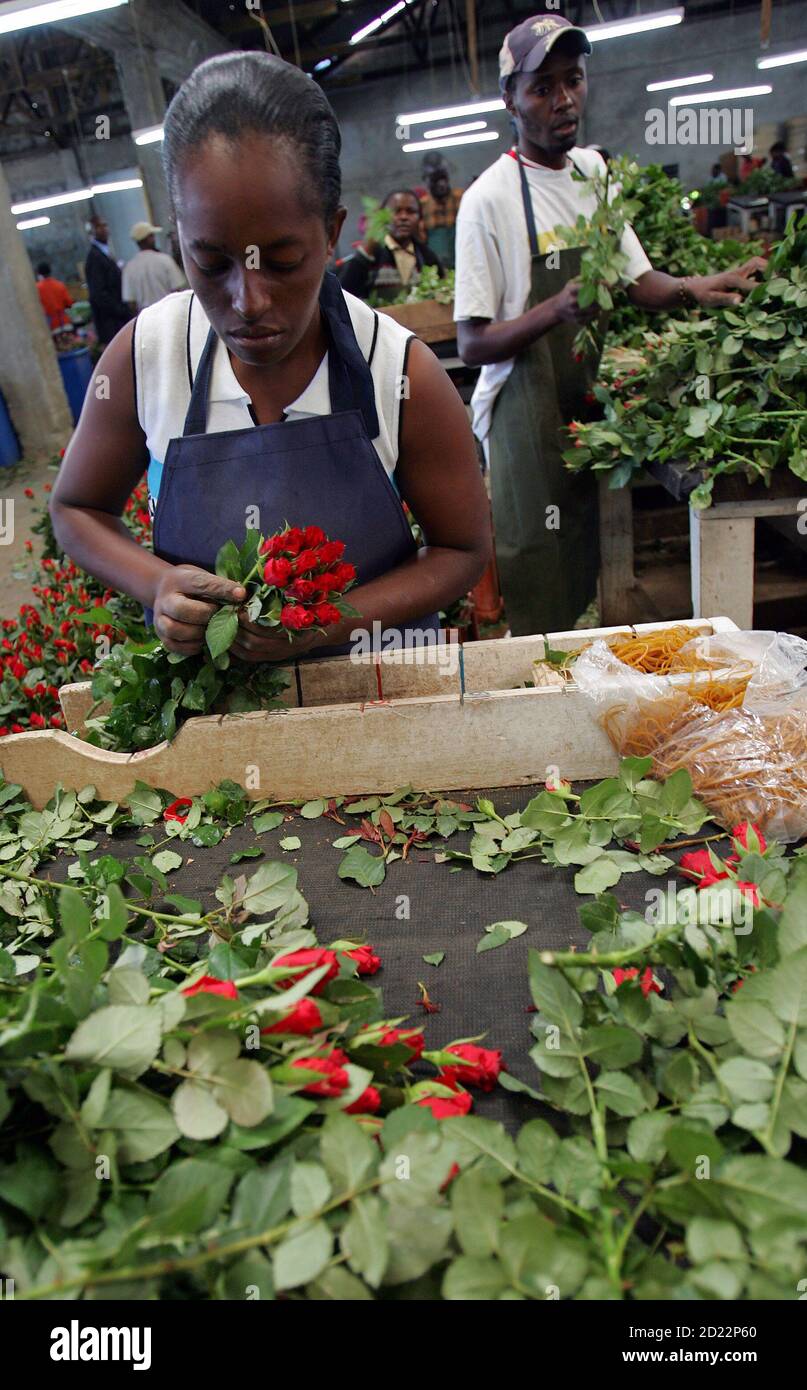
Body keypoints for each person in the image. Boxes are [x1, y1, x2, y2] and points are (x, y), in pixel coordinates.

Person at [50, 52, 489, 666]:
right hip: (219, 706)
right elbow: (75, 509)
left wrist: (334, 621)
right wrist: (156, 585)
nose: (247, 301)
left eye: (282, 263)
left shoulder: (399, 374)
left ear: (332, 233)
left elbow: (462, 550)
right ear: (179, 235)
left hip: (381, 689)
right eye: (210, 263)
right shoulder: (148, 354)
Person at [454, 12, 765, 637]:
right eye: (542, 87)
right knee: (537, 554)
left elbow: (636, 278)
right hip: (521, 407)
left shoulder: (593, 172)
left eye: (573, 80)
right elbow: (472, 343)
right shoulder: (487, 199)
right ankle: (539, 678)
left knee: (581, 546)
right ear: (509, 99)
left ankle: (580, 661)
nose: (563, 100)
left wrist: (696, 288)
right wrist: (555, 310)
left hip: (582, 395)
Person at [337, 190, 444, 302]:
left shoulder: (427, 257)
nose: (403, 217)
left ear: (420, 219)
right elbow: (344, 295)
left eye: (411, 211)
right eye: (395, 211)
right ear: (383, 217)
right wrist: (366, 253)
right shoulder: (371, 254)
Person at [84, 215, 132, 347]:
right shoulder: (95, 258)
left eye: (105, 225)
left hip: (116, 320)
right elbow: (98, 294)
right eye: (98, 227)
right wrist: (121, 311)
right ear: (91, 233)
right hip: (111, 323)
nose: (103, 229)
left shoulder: (104, 254)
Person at [122, 220, 187, 312]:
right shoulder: (165, 260)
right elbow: (178, 289)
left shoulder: (129, 268)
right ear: (150, 238)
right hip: (168, 311)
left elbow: (131, 302)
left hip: (145, 317)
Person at [420, 157, 464, 268]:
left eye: (444, 182)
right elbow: (421, 237)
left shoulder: (460, 197)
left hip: (460, 258)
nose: (441, 186)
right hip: (435, 262)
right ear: (430, 185)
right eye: (437, 183)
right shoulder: (423, 204)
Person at [35, 261, 73, 330]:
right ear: (50, 271)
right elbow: (69, 303)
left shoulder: (37, 288)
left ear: (39, 273)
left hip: (50, 325)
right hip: (65, 322)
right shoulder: (59, 284)